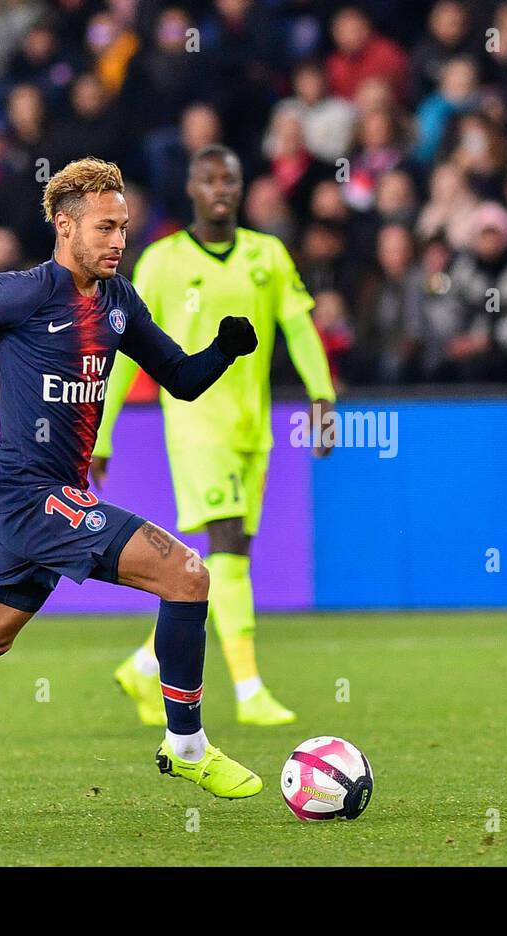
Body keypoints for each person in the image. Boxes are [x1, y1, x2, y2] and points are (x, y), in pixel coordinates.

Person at [0, 158, 264, 824]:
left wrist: (223, 350)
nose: (120, 241)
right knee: (187, 574)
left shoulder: (118, 303)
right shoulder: (25, 292)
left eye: (124, 227)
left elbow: (177, 377)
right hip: (31, 494)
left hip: (56, 494)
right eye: (106, 228)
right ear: (65, 227)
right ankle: (186, 744)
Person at [93, 144, 336, 727]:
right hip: (198, 425)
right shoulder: (162, 261)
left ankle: (145, 666)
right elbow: (128, 352)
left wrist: (323, 395)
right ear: (193, 190)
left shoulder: (267, 255)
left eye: (230, 178)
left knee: (233, 560)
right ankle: (250, 690)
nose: (221, 189)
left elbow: (299, 329)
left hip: (255, 428)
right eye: (209, 180)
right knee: (226, 545)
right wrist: (101, 431)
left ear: (242, 185)